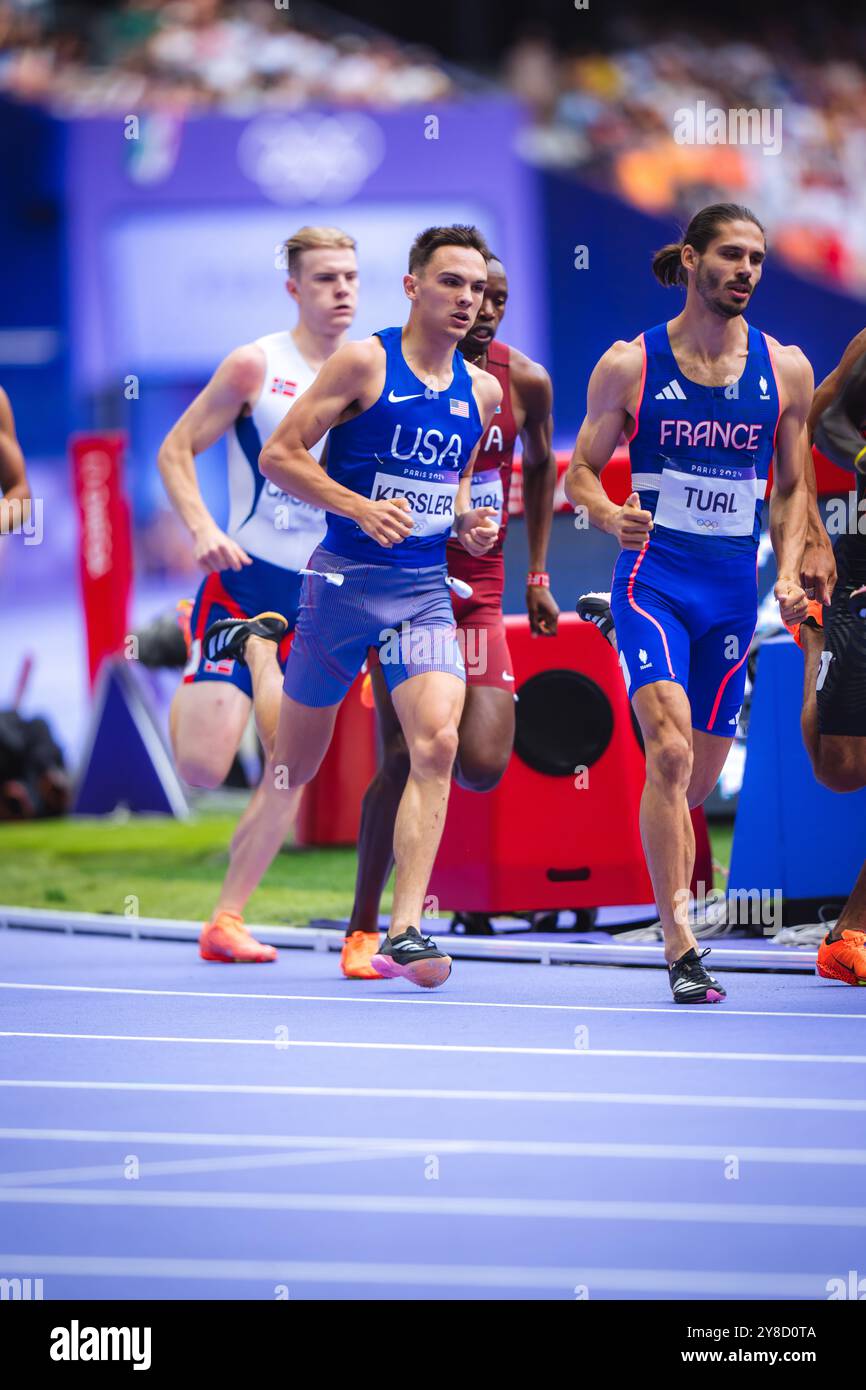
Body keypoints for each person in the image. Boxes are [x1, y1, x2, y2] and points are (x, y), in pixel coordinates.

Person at [212, 224, 502, 988]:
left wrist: (465, 519)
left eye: (476, 287)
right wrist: (357, 505)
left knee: (435, 744)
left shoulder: (484, 392)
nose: (467, 300)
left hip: (420, 595)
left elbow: (456, 483)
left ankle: (404, 928)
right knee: (293, 764)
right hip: (339, 585)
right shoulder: (366, 360)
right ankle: (258, 650)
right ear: (413, 288)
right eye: (450, 283)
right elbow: (280, 456)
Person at [566, 202, 812, 1004]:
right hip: (654, 579)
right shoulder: (629, 365)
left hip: (733, 592)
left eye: (758, 260)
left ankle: (623, 640)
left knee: (697, 783)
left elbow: (796, 482)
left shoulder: (788, 370)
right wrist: (605, 513)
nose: (747, 271)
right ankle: (680, 941)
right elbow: (579, 472)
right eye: (732, 255)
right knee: (667, 757)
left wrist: (796, 553)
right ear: (692, 259)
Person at [342, 254, 559, 978]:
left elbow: (539, 467)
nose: (484, 306)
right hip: (406, 578)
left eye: (498, 296)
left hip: (481, 581)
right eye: (472, 291)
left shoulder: (519, 382)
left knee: (484, 761)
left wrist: (535, 570)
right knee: (405, 755)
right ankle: (366, 927)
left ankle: (404, 906)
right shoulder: (393, 367)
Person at [157, 226, 359, 962]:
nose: (342, 290)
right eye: (326, 278)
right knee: (203, 768)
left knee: (289, 762)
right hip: (242, 584)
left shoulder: (372, 370)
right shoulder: (255, 365)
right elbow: (175, 449)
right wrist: (204, 527)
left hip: (321, 597)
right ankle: (199, 634)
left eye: (351, 277)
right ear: (294, 289)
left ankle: (226, 920)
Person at [788, 329, 866, 985]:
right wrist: (811, 525)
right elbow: (811, 423)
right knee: (840, 770)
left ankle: (852, 933)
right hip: (862, 570)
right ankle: (816, 635)